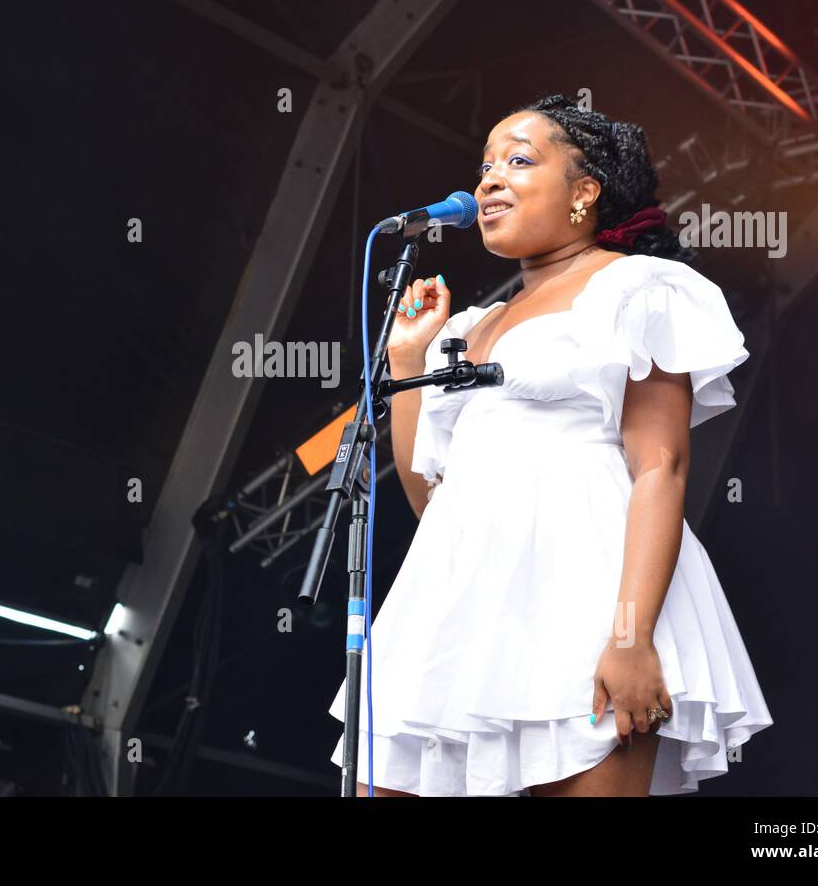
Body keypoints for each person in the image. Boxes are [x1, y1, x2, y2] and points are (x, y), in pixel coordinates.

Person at [328, 93, 773, 796]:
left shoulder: (637, 288)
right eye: (485, 166)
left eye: (519, 159)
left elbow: (662, 464)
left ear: (585, 192)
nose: (489, 180)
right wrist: (409, 363)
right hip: (456, 616)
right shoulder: (467, 328)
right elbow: (433, 506)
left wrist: (630, 637)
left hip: (588, 598)